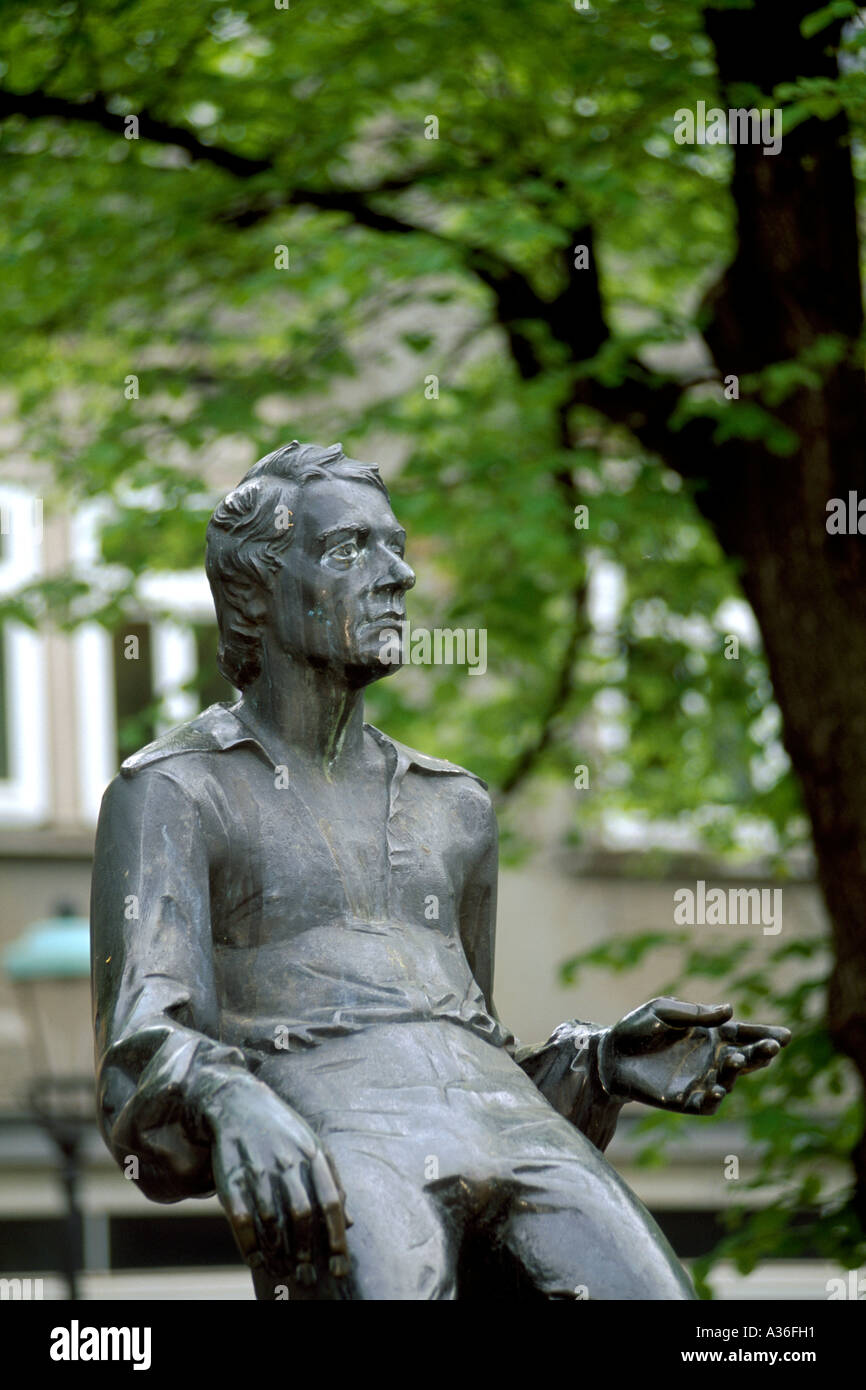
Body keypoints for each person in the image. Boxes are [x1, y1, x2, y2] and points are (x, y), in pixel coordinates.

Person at [91, 441, 789, 1300]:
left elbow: (467, 1050)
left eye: (397, 546)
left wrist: (600, 1065)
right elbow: (139, 1052)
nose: (399, 576)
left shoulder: (454, 804)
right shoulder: (176, 789)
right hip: (343, 1130)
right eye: (351, 549)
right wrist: (229, 1097)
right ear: (258, 592)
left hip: (518, 1126)